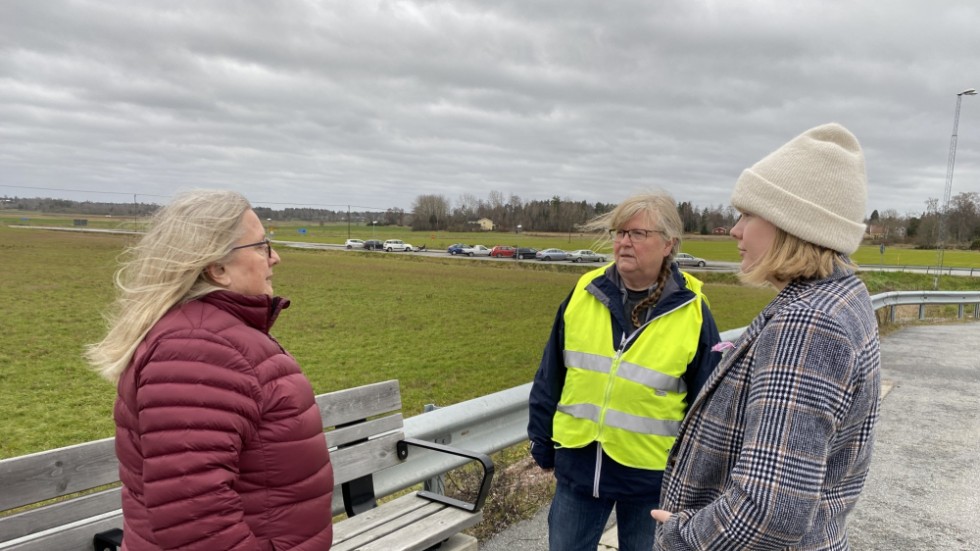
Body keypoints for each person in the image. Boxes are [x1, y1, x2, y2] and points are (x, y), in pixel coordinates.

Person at [652, 123, 882, 550]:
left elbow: (769, 510)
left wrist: (681, 538)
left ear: (792, 224)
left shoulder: (808, 326)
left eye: (748, 214)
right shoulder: (842, 298)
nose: (735, 230)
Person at [86, 190, 333, 551]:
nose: (275, 258)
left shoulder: (211, 338)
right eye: (262, 246)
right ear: (217, 268)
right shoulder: (197, 350)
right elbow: (195, 518)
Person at [528, 191, 722, 551]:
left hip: (651, 479)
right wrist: (541, 439)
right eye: (620, 233)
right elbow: (551, 374)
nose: (624, 242)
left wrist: (699, 475)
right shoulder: (585, 292)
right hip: (580, 467)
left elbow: (708, 404)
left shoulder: (694, 312)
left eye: (637, 234)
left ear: (669, 244)